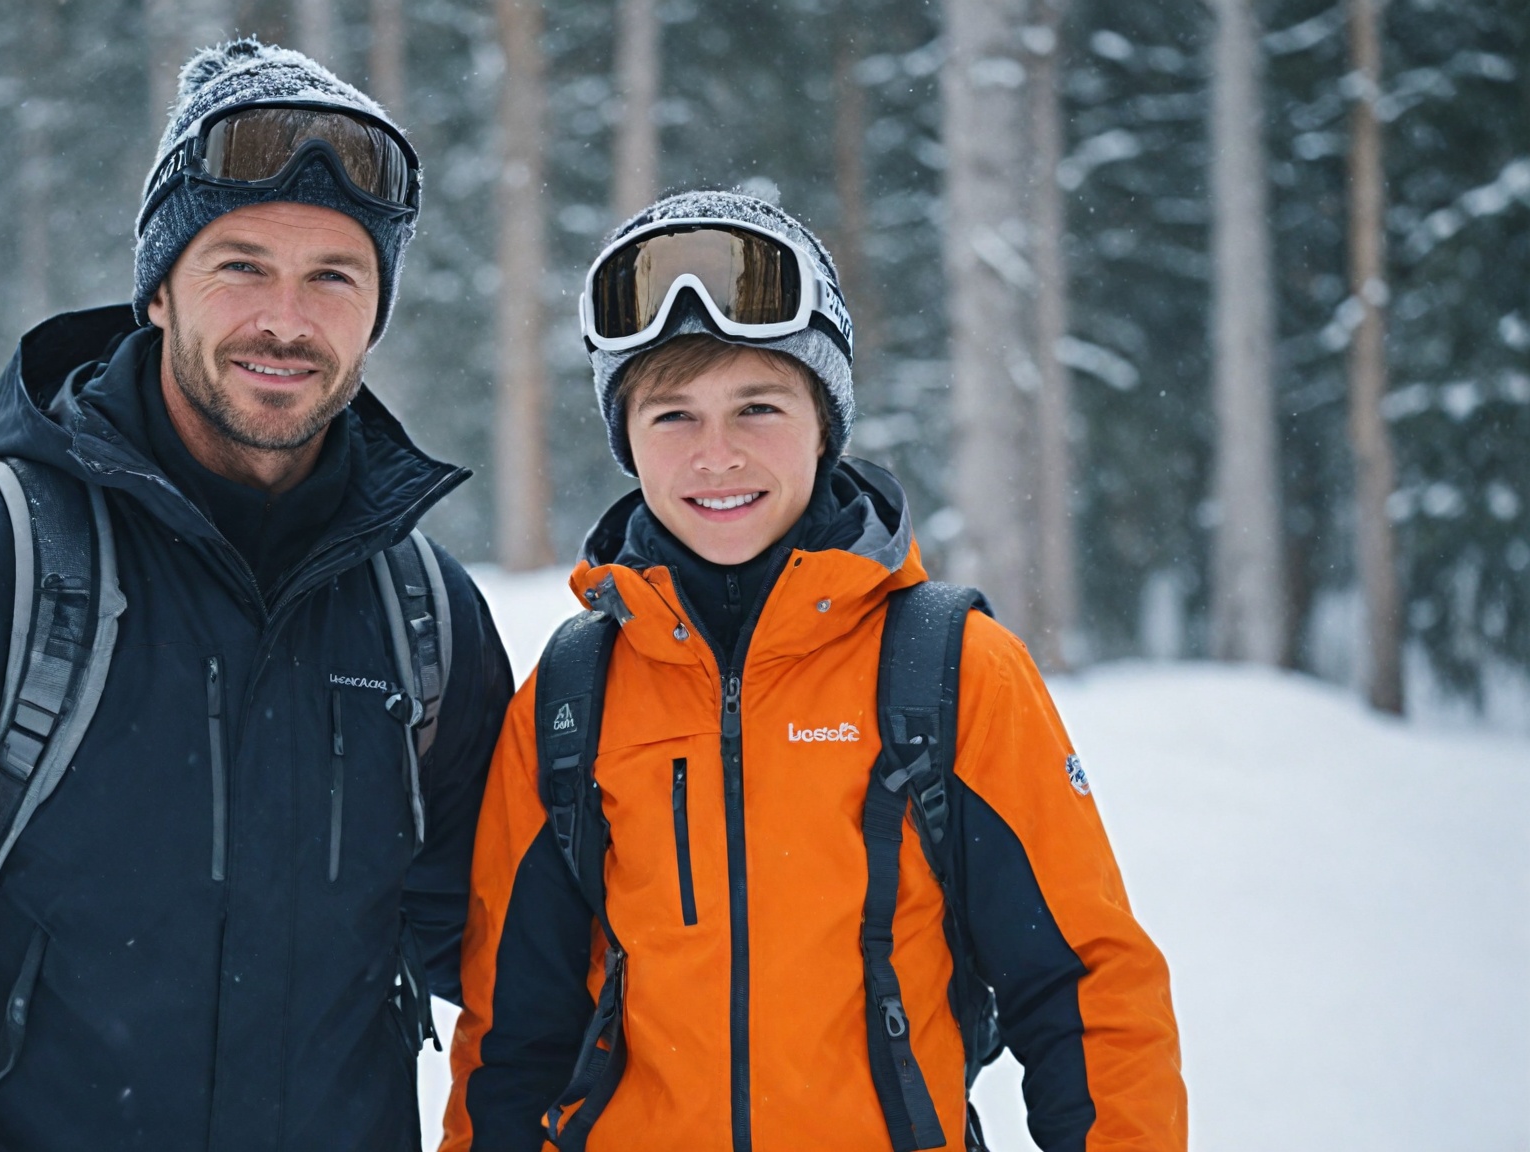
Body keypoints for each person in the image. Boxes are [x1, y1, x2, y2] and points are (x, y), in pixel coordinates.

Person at [0, 40, 512, 1152]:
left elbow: (505, 949)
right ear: (156, 291)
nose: (285, 319)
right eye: (240, 265)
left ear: (375, 313)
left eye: (334, 275)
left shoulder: (422, 614)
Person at [440, 191, 1185, 1151]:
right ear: (626, 441)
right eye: (672, 415)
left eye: (759, 406)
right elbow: (512, 1036)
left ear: (824, 423)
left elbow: (1084, 985)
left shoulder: (948, 668)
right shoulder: (573, 694)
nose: (717, 456)